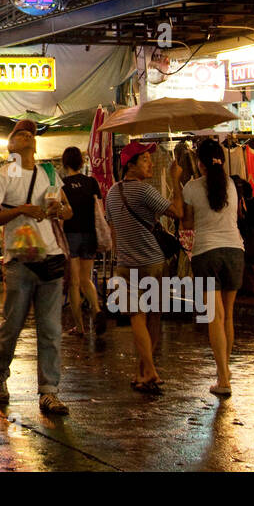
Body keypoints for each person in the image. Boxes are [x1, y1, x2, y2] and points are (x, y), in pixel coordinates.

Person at [0, 120, 73, 416]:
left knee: (51, 330)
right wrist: (21, 209)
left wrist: (59, 210)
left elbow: (68, 210)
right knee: (12, 325)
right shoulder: (3, 174)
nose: (26, 136)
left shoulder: (49, 173)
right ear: (10, 145)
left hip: (50, 256)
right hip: (19, 260)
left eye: (30, 134)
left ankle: (49, 392)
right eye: (19, 134)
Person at [103, 142, 183, 394]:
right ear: (131, 165)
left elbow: (113, 230)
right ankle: (150, 369)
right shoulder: (144, 191)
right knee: (153, 317)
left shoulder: (112, 193)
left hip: (125, 265)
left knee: (137, 318)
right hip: (152, 263)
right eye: (145, 160)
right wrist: (175, 180)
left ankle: (141, 373)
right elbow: (178, 212)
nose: (150, 164)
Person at [182, 141, 244, 397]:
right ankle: (224, 373)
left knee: (213, 317)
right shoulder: (231, 184)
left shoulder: (192, 187)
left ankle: (223, 378)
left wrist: (178, 185)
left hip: (206, 253)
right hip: (235, 251)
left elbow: (186, 223)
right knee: (227, 316)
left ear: (200, 162)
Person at [59, 145, 104, 336]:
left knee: (74, 283)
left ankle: (80, 327)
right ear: (81, 162)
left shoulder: (61, 184)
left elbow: (60, 214)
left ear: (64, 163)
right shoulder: (92, 182)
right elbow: (99, 209)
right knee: (87, 279)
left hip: (71, 235)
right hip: (90, 234)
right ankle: (97, 310)